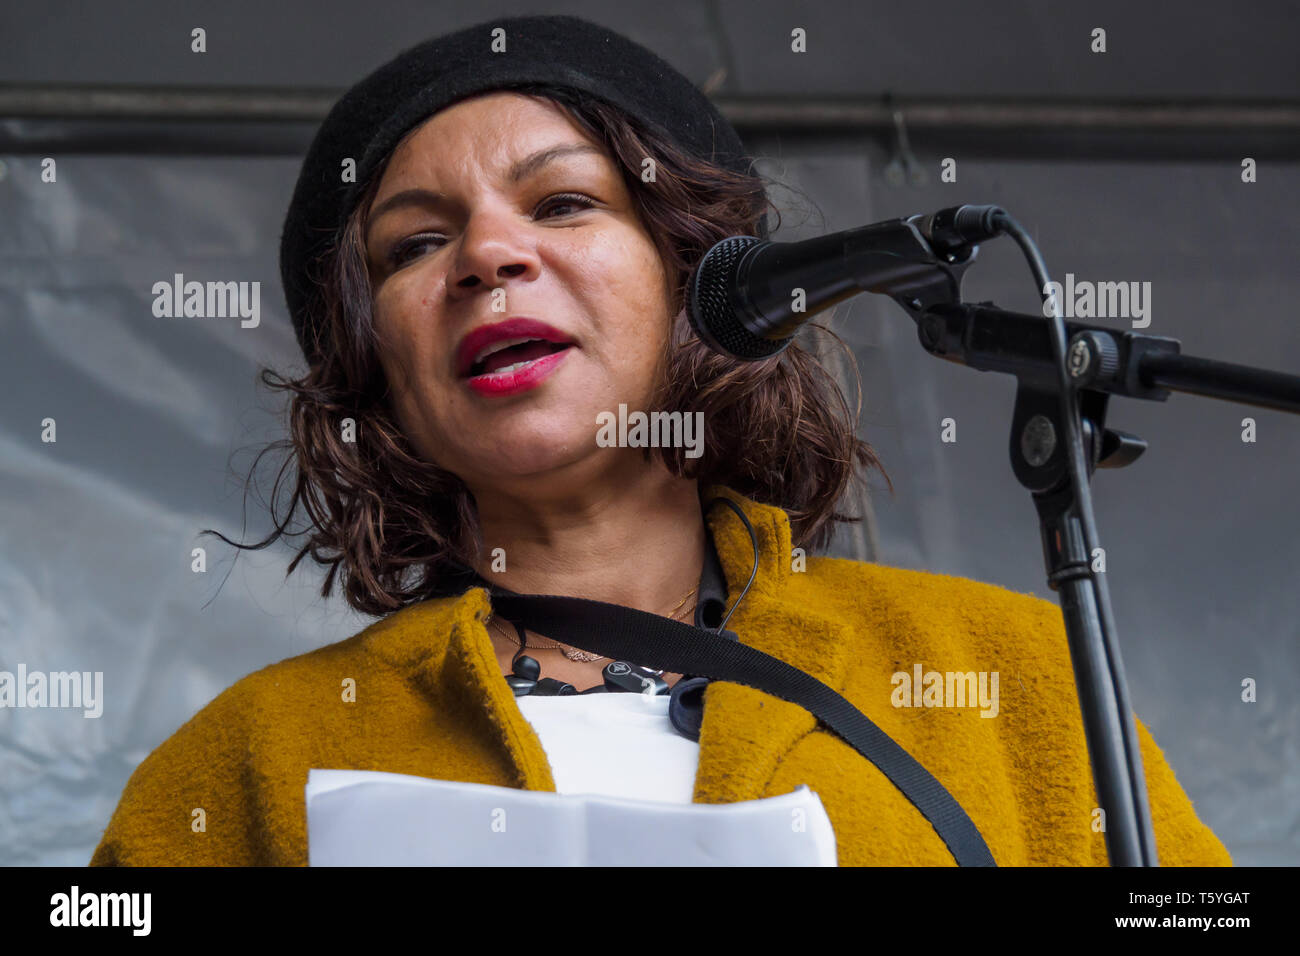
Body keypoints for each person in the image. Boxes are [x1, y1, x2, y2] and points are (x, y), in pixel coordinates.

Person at [90, 14, 1231, 866]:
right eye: (413, 245)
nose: (487, 254)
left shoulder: (1010, 673)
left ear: (703, 282)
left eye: (563, 204)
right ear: (376, 373)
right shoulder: (245, 758)